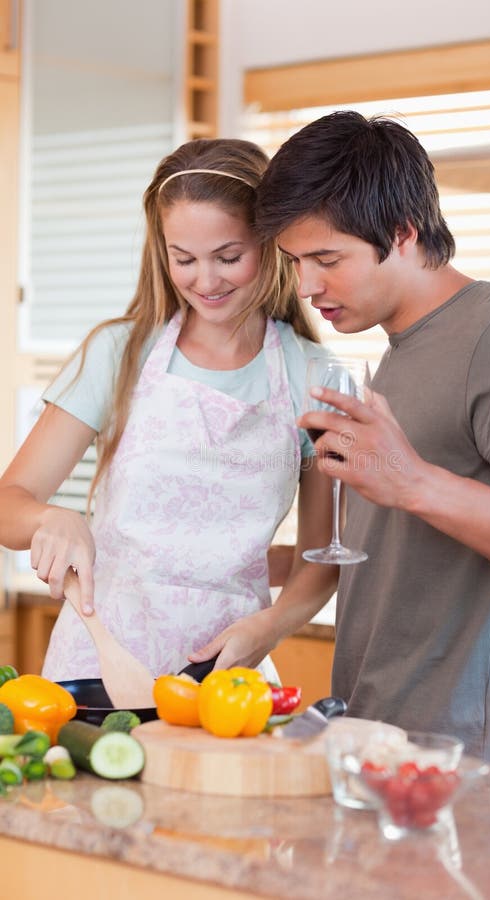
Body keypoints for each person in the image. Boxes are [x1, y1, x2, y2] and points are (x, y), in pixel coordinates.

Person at [249, 110, 490, 773]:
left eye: (328, 259)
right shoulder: (397, 349)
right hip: (385, 746)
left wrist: (410, 481)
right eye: (294, 261)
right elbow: (407, 552)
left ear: (403, 234)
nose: (307, 286)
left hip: (480, 768)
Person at [0, 137, 337, 681]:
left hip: (229, 673)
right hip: (100, 660)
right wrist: (50, 518)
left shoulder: (313, 375)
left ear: (273, 243)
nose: (205, 281)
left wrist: (269, 627)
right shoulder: (119, 352)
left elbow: (320, 559)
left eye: (229, 257)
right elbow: (7, 504)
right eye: (184, 259)